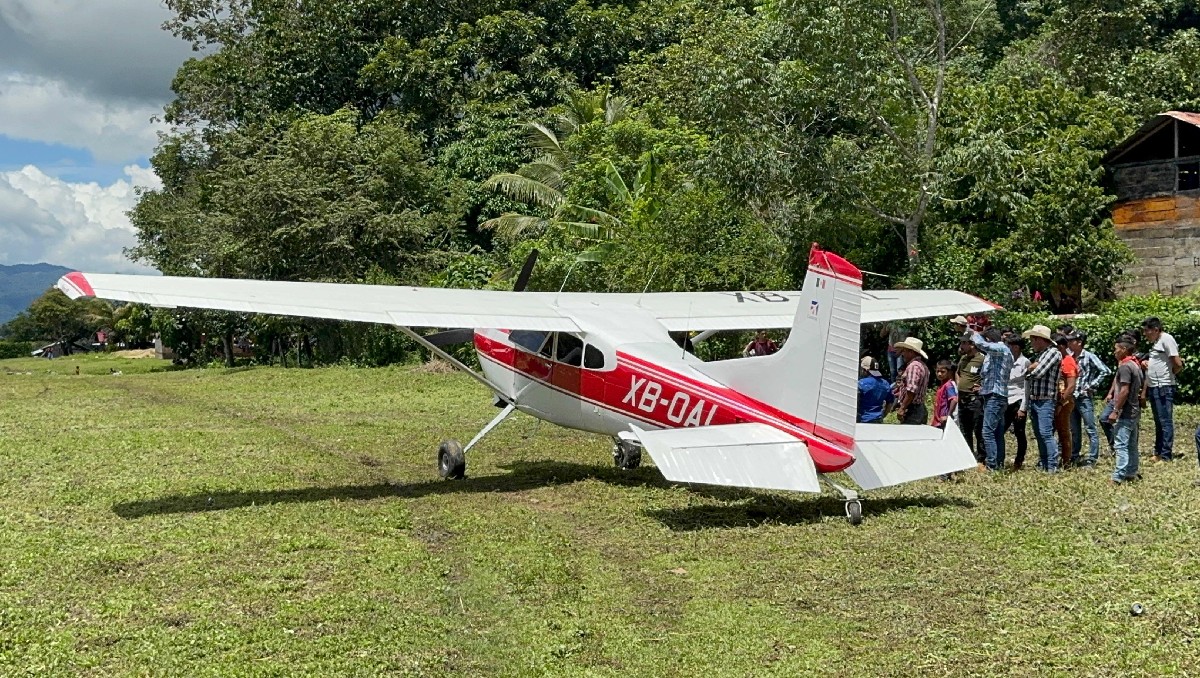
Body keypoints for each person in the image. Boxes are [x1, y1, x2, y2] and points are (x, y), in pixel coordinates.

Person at [1020, 325, 1063, 472]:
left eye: (1033, 339)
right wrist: (1031, 369)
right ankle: (1045, 463)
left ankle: (1052, 465)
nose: (1031, 343)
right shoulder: (1041, 355)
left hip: (1045, 399)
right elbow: (1029, 373)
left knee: (1045, 433)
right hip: (1036, 398)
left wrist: (1031, 369)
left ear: (1040, 339)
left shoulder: (1053, 353)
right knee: (1039, 434)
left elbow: (1037, 373)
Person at [1141, 317, 1182, 462]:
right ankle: (1158, 452)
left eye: (1147, 331)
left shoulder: (1166, 339)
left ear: (1156, 330)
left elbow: (1177, 363)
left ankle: (1165, 455)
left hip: (1163, 387)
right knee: (1159, 422)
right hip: (1155, 387)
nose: (1145, 334)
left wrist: (1168, 376)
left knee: (1165, 422)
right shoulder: (1157, 343)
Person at [971, 327, 1012, 471]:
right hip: (992, 395)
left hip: (996, 396)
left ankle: (992, 465)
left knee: (987, 431)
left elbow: (983, 345)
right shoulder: (993, 354)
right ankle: (997, 463)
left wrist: (975, 335)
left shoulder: (1001, 349)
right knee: (996, 431)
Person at [1069, 332, 1111, 468]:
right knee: (1074, 429)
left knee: (1090, 428)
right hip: (1072, 397)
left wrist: (1091, 385)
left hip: (1084, 397)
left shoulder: (1089, 356)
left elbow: (1105, 370)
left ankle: (1092, 458)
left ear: (1079, 342)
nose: (1069, 343)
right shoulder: (1070, 357)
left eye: (1072, 341)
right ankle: (1074, 456)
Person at [1108, 337, 1144, 485]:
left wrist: (1116, 410)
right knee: (1131, 444)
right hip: (1135, 410)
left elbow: (1124, 390)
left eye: (1116, 349)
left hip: (1126, 411)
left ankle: (1118, 476)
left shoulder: (1125, 367)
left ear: (1123, 349)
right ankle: (1131, 471)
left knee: (1121, 444)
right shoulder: (1136, 365)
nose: (1114, 352)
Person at [956, 333, 986, 463]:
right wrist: (959, 384)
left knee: (978, 429)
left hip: (975, 399)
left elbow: (989, 375)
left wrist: (982, 386)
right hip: (962, 399)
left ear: (972, 344)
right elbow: (957, 373)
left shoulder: (982, 359)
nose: (961, 346)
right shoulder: (963, 359)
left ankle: (982, 457)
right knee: (965, 429)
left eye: (964, 343)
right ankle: (968, 456)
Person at [1005, 336, 1031, 470]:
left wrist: (1023, 407)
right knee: (1001, 429)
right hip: (1006, 399)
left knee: (1019, 432)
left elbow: (1027, 387)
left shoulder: (1025, 362)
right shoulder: (1006, 360)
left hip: (1018, 399)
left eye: (1009, 345)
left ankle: (1019, 460)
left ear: (1016, 347)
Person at [892, 337, 930, 425]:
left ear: (911, 352)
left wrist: (902, 408)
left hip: (912, 409)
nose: (903, 354)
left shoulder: (914, 366)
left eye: (904, 351)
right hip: (918, 407)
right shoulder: (922, 366)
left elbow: (911, 390)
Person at [1053, 334, 1079, 466]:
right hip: (1057, 399)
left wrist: (1061, 402)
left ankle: (1066, 460)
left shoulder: (1067, 361)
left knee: (1063, 431)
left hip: (1064, 400)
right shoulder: (1058, 359)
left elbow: (1071, 385)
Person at [857, 356, 895, 423]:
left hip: (863, 419)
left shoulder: (861, 383)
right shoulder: (885, 384)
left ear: (865, 370)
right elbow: (890, 402)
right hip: (878, 420)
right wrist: (885, 414)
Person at [931, 360, 959, 429]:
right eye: (937, 371)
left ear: (950, 372)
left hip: (943, 422)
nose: (939, 374)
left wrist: (948, 416)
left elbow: (954, 400)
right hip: (938, 421)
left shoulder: (948, 385)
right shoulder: (942, 385)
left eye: (942, 372)